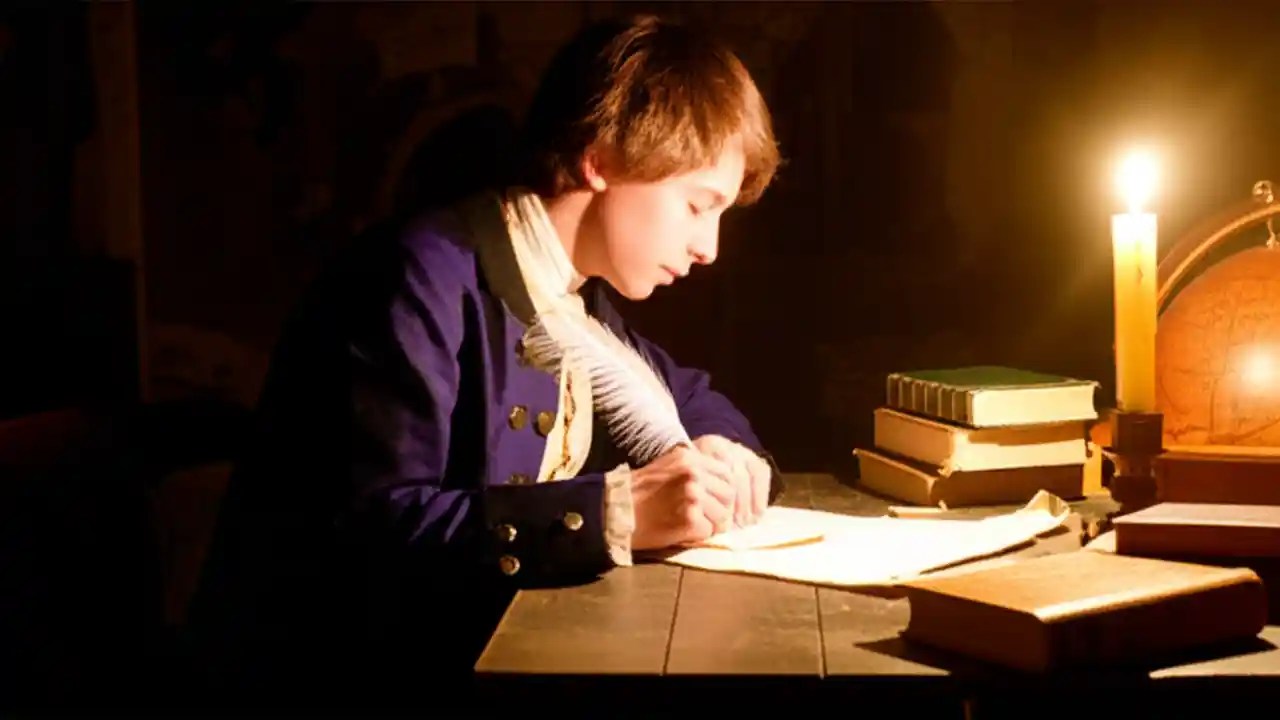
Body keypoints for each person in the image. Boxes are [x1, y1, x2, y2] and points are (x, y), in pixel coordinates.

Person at [186, 13, 783, 710]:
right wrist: (613, 514)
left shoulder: (570, 299)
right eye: (696, 205)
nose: (709, 247)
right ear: (603, 157)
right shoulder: (420, 281)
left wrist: (721, 452)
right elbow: (376, 532)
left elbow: (688, 395)